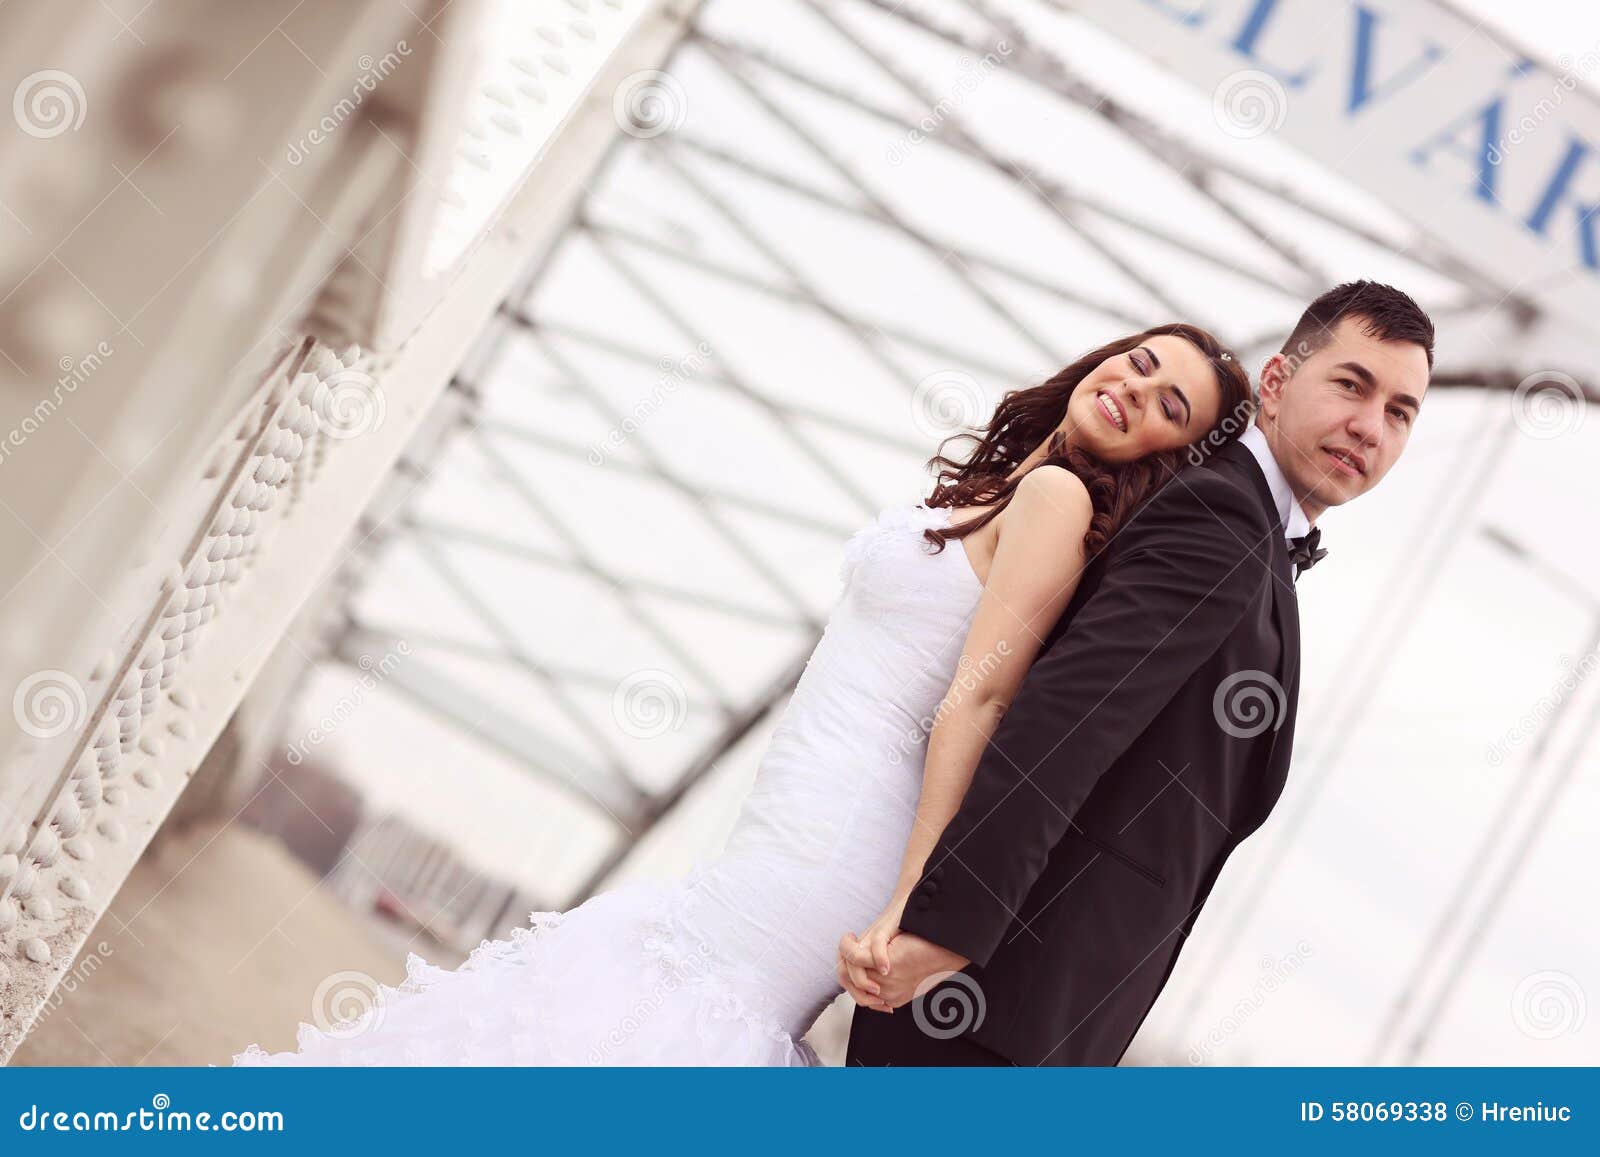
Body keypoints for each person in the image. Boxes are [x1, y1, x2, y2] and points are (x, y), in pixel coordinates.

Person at [230, 320, 1252, 1065]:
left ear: (1175, 453)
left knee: (675, 1007)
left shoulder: (1055, 497)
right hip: (800, 811)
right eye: (1142, 360)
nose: (1139, 388)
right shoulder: (1017, 483)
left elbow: (979, 705)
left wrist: (910, 899)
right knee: (650, 997)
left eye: (1174, 407)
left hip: (842, 838)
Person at [838, 280, 1434, 1066]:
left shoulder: (1251, 536)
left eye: (1399, 411)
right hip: (981, 1009)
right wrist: (946, 928)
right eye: (1352, 385)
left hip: (1030, 1026)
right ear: (1279, 383)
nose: (1369, 425)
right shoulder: (1220, 519)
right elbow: (1066, 718)